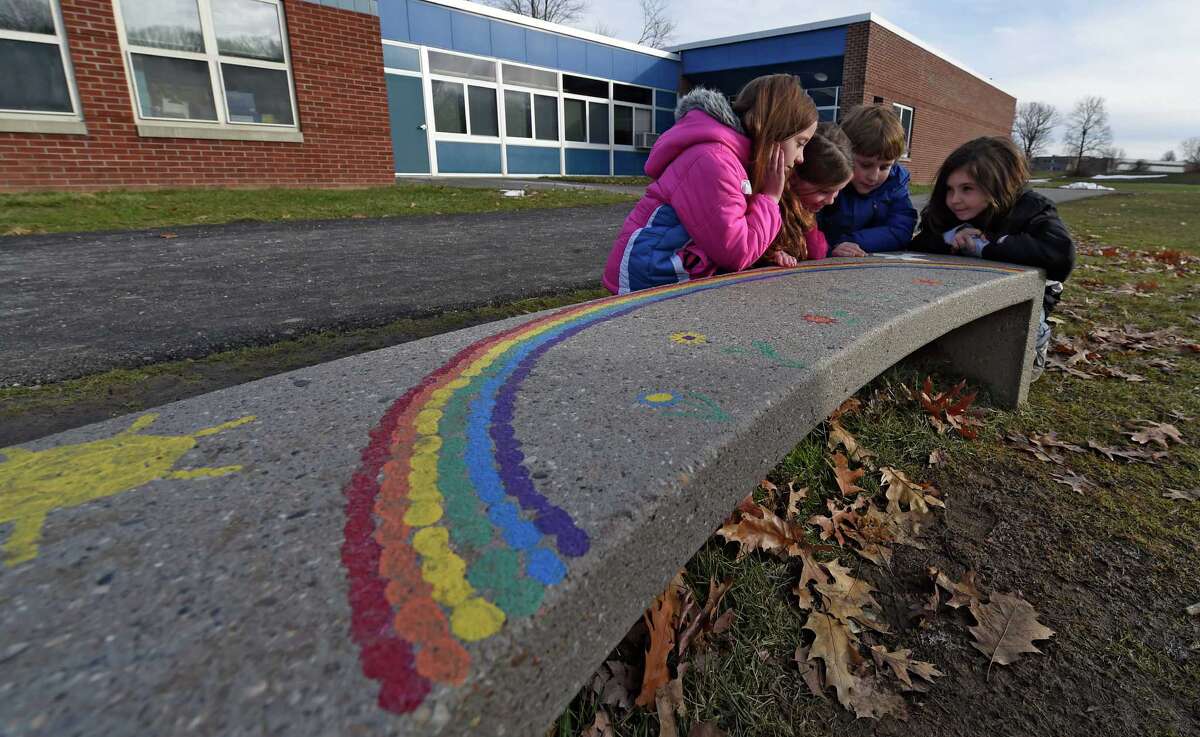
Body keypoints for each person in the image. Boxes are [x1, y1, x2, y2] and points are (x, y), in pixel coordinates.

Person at [602, 74, 818, 294]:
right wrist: (770, 199)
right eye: (800, 143)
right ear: (774, 130)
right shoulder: (715, 162)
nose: (801, 158)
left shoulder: (734, 160)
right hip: (652, 274)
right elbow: (737, 252)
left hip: (675, 268)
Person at [910, 136, 1075, 379]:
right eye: (949, 189)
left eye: (967, 189)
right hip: (965, 288)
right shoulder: (951, 212)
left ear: (998, 184)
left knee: (1009, 337)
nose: (954, 199)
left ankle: (1035, 337)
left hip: (1027, 297)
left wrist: (986, 246)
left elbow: (1061, 256)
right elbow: (920, 245)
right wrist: (951, 237)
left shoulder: (1031, 208)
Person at [816, 104, 918, 257]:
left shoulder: (895, 183)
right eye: (865, 165)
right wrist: (830, 247)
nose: (873, 176)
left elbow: (901, 230)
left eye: (884, 167)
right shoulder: (827, 180)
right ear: (844, 152)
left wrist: (849, 241)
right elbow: (808, 225)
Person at [762, 122, 854, 266]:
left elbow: (816, 250)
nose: (830, 200)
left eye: (837, 191)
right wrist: (769, 253)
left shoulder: (803, 209)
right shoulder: (770, 204)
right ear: (793, 176)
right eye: (824, 191)